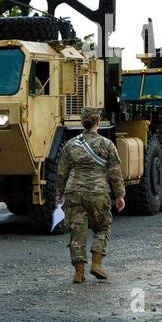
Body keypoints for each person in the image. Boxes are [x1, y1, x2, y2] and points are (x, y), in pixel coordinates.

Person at [55, 108, 126, 283]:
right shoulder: (107, 144)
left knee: (77, 231)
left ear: (82, 122)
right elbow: (115, 172)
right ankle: (96, 264)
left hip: (74, 193)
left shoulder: (71, 144)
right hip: (98, 192)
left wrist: (60, 193)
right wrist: (119, 195)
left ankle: (79, 272)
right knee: (102, 227)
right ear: (98, 122)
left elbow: (61, 172)